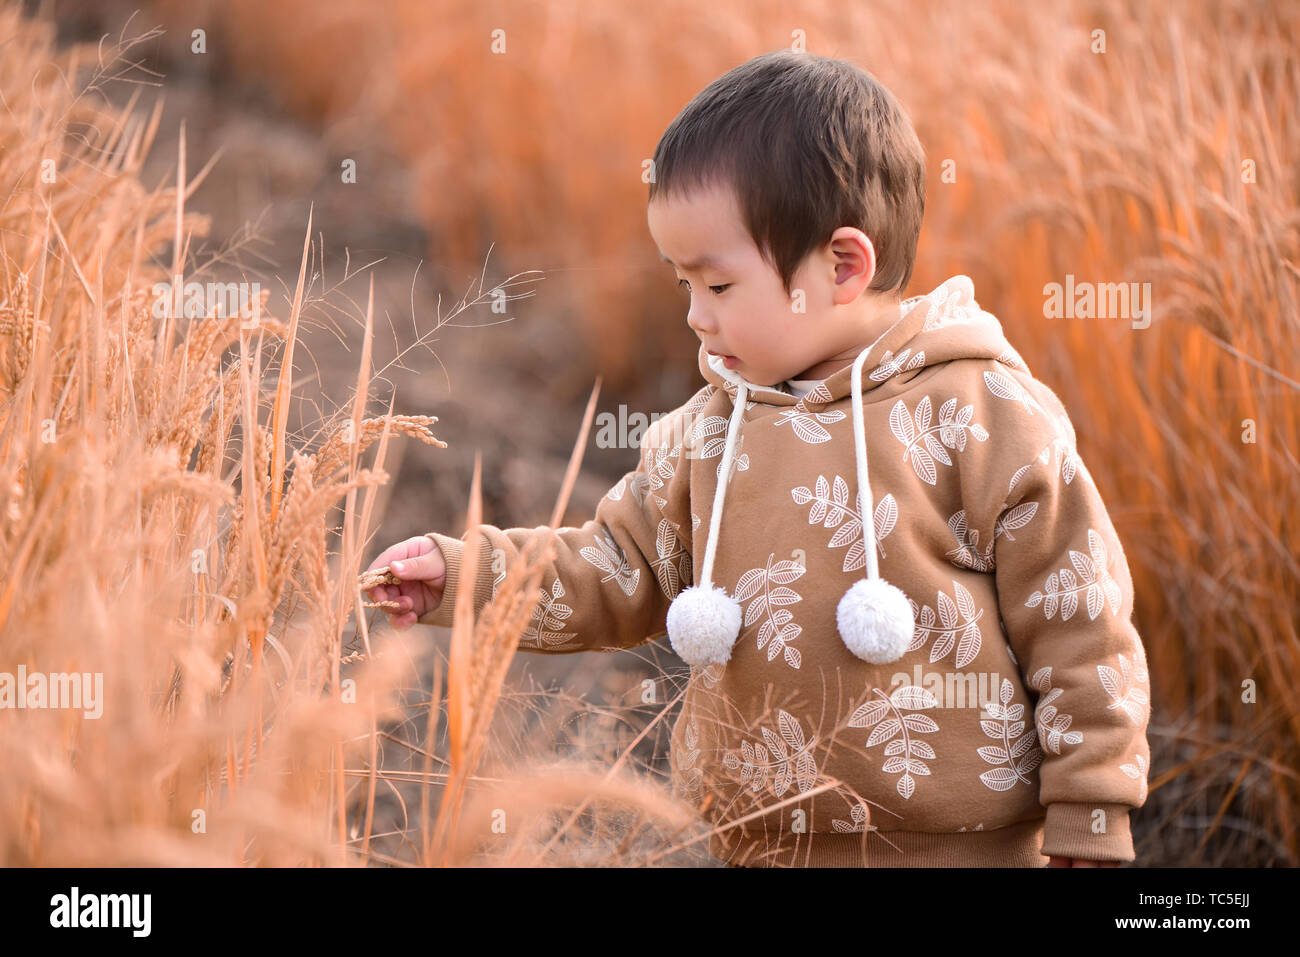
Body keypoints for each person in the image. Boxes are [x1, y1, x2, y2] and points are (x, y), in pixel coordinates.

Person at [365, 50, 1151, 868]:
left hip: (961, 850)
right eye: (683, 287)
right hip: (753, 846)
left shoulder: (983, 416)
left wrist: (1092, 807)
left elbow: (1078, 620)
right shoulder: (706, 433)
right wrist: (469, 575)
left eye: (720, 286)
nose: (697, 318)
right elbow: (611, 567)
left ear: (842, 266)